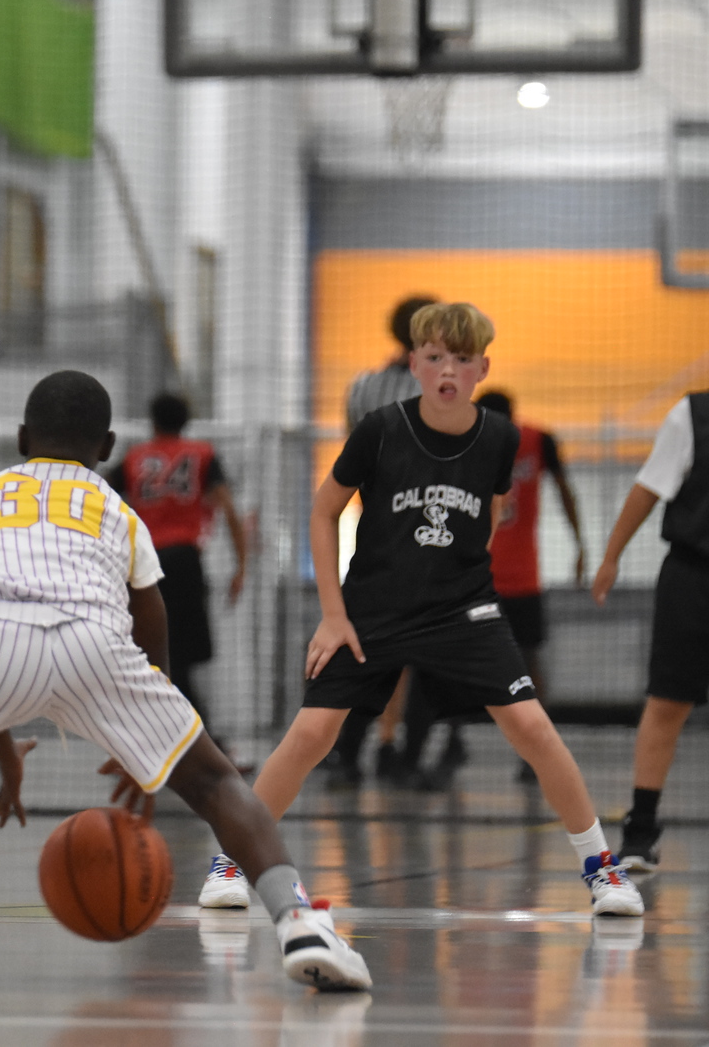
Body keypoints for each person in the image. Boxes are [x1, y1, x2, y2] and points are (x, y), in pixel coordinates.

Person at [0, 370, 370, 990]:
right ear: (109, 446)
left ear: (18, 438)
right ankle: (301, 922)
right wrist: (145, 730)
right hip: (97, 646)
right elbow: (151, 620)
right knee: (217, 781)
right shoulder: (118, 511)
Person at [198, 304, 643, 918]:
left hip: (461, 610)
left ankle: (603, 870)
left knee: (534, 728)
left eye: (462, 359)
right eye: (435, 357)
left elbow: (488, 514)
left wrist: (462, 577)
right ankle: (229, 863)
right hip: (373, 610)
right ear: (414, 364)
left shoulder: (500, 438)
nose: (447, 370)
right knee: (310, 734)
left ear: (482, 368)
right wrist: (333, 613)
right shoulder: (380, 430)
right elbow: (324, 511)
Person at [401, 389, 586, 786]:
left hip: (480, 579)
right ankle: (525, 753)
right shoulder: (535, 440)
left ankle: (452, 744)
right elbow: (566, 492)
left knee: (455, 664)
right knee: (523, 667)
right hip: (499, 580)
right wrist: (579, 543)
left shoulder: (470, 444)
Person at [592, 390, 709, 874]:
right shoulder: (693, 414)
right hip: (692, 574)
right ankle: (640, 833)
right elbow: (648, 486)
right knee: (667, 702)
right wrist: (611, 555)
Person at [330, 295, 441, 785]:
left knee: (367, 651)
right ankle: (404, 758)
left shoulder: (360, 389)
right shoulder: (442, 390)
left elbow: (351, 462)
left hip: (373, 532)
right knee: (428, 653)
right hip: (426, 535)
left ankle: (350, 755)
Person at [106, 392, 247, 756]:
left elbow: (100, 498)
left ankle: (173, 737)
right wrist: (241, 565)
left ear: (152, 421)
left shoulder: (135, 458)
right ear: (186, 421)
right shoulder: (202, 455)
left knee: (158, 652)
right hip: (185, 562)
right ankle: (199, 742)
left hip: (146, 564)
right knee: (179, 655)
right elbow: (229, 510)